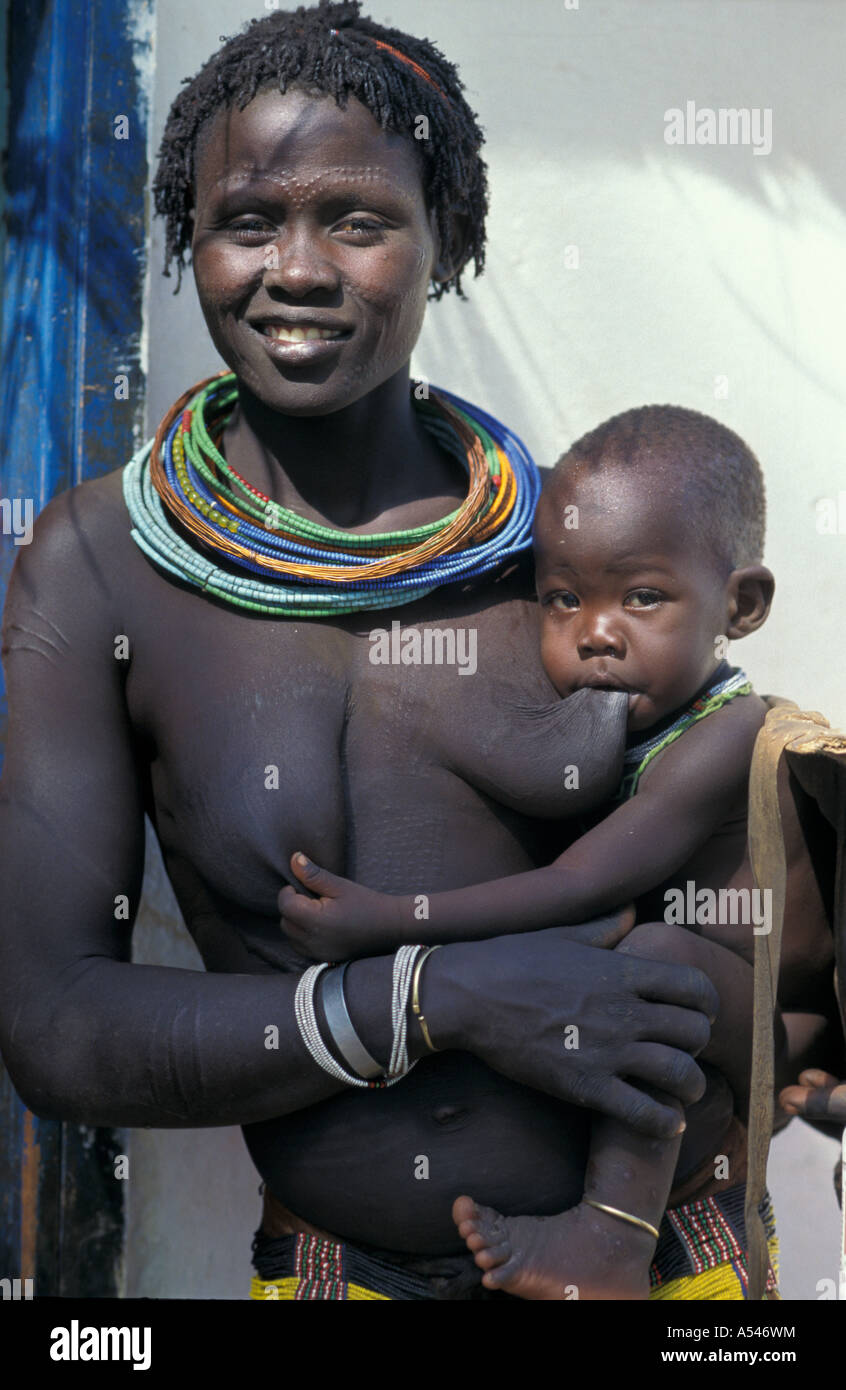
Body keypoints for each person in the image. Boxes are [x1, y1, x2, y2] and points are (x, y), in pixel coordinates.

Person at [0, 1, 821, 1302]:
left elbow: (744, 877)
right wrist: (427, 998)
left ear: (446, 242)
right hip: (339, 1273)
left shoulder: (571, 558)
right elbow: (53, 1027)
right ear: (189, 237)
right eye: (249, 220)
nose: (300, 268)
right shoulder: (103, 567)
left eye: (360, 219)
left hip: (662, 1262)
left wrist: (774, 1022)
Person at [279, 403, 836, 1298]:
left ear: (742, 604)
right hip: (698, 1006)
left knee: (646, 958)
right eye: (564, 599)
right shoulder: (621, 718)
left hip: (751, 1024)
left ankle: (612, 1242)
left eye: (642, 597)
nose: (597, 633)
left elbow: (584, 883)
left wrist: (391, 922)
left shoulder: (727, 734)